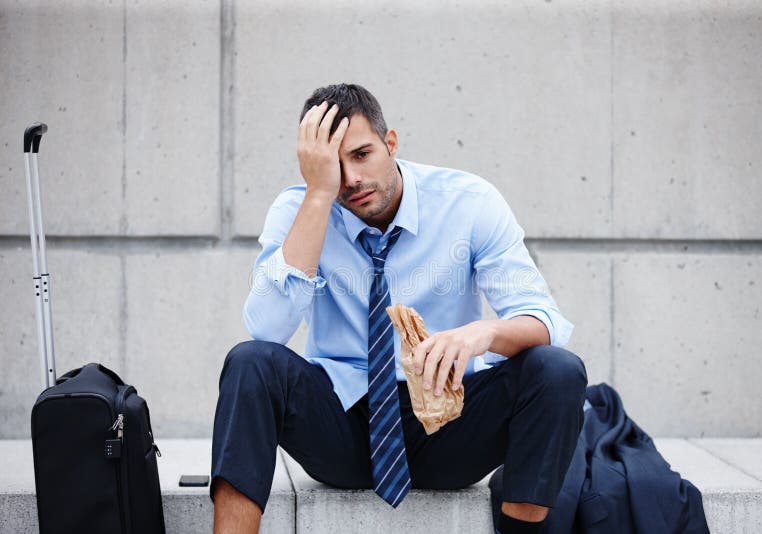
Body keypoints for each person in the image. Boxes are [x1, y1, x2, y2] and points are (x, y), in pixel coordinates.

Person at [210, 83, 587, 534]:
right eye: (333, 165)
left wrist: (481, 334)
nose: (351, 178)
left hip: (450, 419)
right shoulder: (301, 208)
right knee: (250, 363)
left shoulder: (468, 202)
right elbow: (266, 329)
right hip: (342, 424)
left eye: (362, 154)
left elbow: (544, 320)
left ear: (390, 143)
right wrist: (318, 196)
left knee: (557, 370)